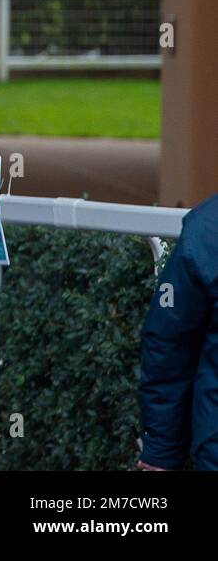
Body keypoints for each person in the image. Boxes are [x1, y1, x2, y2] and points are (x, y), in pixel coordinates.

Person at [137, 196, 218, 471]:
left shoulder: (208, 226)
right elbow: (170, 343)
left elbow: (170, 343)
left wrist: (162, 449)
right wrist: (162, 449)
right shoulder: (208, 228)